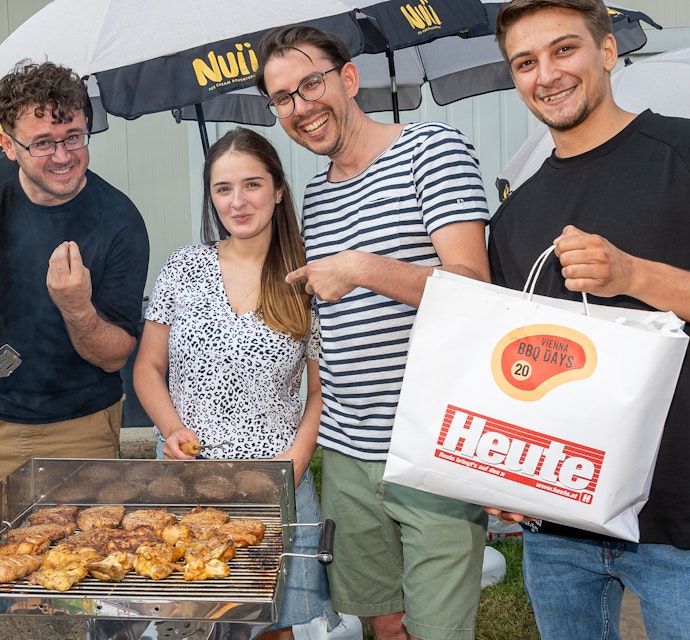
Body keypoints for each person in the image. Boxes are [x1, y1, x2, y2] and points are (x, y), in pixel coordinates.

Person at [487, 2, 690, 638]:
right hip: (558, 523)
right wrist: (504, 476)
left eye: (564, 49)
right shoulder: (516, 216)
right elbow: (518, 367)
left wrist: (636, 276)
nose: (546, 74)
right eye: (525, 62)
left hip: (688, 515)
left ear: (608, 51)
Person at [254, 25, 491, 640]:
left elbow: (474, 287)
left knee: (438, 631)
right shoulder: (313, 195)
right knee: (382, 626)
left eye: (312, 84)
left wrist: (362, 268)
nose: (301, 107)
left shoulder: (431, 149)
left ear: (349, 79)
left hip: (431, 446)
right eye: (283, 98)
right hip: (345, 449)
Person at [0, 60, 150, 559]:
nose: (63, 156)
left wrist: (77, 308)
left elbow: (115, 355)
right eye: (43, 143)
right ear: (6, 143)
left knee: (81, 569)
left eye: (74, 137)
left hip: (83, 426)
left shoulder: (119, 221)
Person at [133, 127, 340, 640]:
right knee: (189, 622)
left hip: (275, 480)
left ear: (278, 190)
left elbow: (321, 389)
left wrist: (296, 462)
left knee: (273, 628)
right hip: (187, 478)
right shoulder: (183, 267)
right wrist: (171, 429)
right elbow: (148, 366)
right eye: (223, 189)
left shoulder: (309, 279)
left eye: (252, 184)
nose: (237, 201)